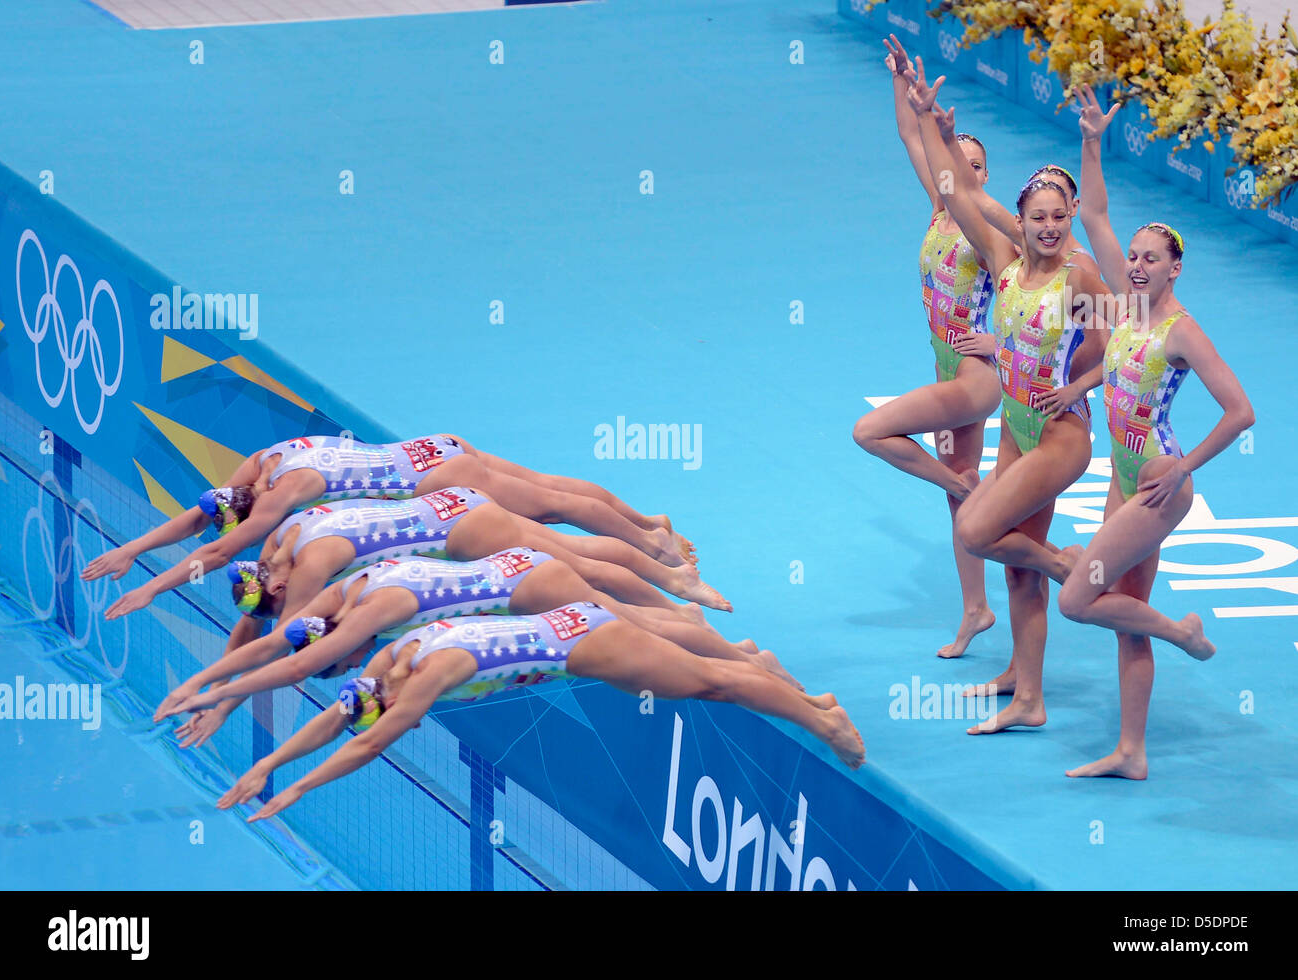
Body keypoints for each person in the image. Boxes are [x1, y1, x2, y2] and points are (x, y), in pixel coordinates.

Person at [221, 602, 864, 821]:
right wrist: (272, 763)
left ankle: (821, 718)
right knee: (708, 677)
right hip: (572, 625)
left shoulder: (422, 678)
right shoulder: (391, 663)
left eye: (392, 716)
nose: (403, 723)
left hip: (587, 645)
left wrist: (295, 787)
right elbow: (340, 720)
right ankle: (782, 679)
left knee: (711, 685)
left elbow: (363, 743)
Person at [1052, 85, 1253, 778]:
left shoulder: (1180, 331)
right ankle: (1132, 752)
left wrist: (1184, 464)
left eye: (1150, 259)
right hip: (1122, 475)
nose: (1134, 265)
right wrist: (1092, 140)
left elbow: (1241, 411)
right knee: (1121, 609)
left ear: (1176, 269)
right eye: (1132, 256)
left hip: (1160, 482)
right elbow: (1097, 212)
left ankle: (1183, 634)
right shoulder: (1130, 306)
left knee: (1080, 599)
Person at [907, 58, 1111, 734]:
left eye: (1059, 216)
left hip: (1059, 435)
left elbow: (1126, 348)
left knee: (976, 528)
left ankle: (1065, 565)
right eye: (1038, 217)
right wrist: (938, 129)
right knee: (1014, 567)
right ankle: (1027, 692)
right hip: (1019, 427)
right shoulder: (1008, 262)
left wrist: (1075, 384)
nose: (1048, 227)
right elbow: (960, 192)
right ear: (1019, 220)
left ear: (1072, 215)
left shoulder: (1081, 276)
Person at [83, 432, 696, 620]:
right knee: (553, 493)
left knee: (559, 525)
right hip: (433, 450)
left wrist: (148, 582)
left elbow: (219, 550)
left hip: (438, 486)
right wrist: (134, 550)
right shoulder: (264, 464)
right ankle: (651, 529)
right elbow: (202, 520)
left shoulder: (279, 504)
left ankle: (651, 548)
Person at [155, 550, 801, 728]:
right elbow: (278, 644)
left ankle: (674, 580)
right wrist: (212, 690)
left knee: (664, 641)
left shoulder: (400, 662)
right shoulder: (363, 626)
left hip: (522, 589)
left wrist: (211, 694)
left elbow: (296, 669)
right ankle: (693, 607)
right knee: (613, 592)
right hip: (511, 582)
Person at [851, 35, 1000, 658]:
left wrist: (999, 339)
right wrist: (901, 84)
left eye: (973, 165)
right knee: (953, 485)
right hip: (944, 359)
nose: (959, 170)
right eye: (953, 160)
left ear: (984, 176)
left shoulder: (992, 225)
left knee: (873, 433)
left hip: (973, 373)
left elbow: (1039, 297)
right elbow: (911, 136)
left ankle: (988, 505)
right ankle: (976, 608)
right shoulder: (939, 210)